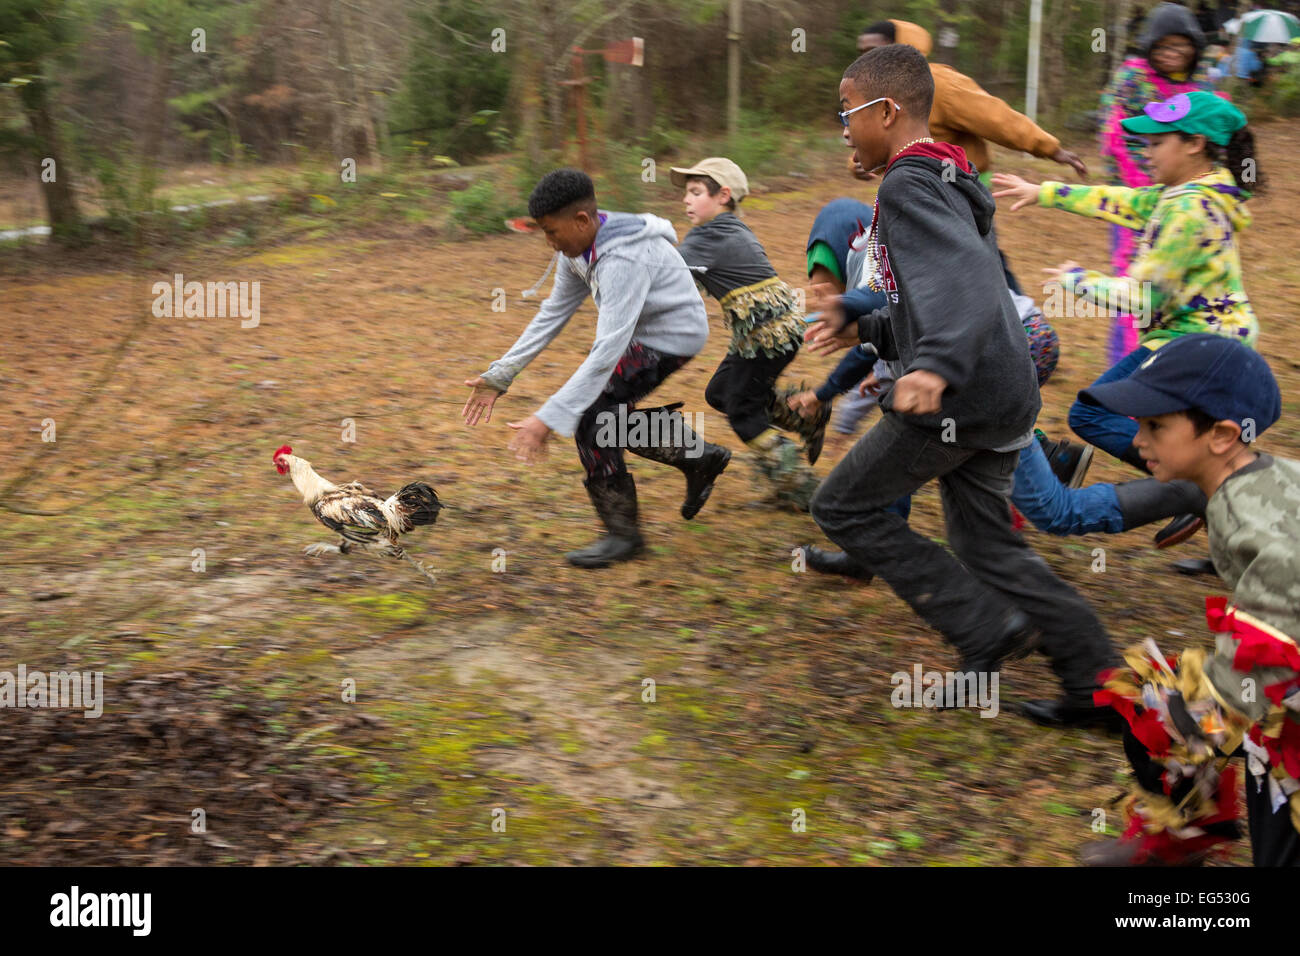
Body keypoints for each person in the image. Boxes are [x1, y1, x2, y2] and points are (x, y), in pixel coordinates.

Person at [806, 43, 1118, 723]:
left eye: (846, 113)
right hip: (1004, 390)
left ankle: (985, 628)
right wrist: (860, 320)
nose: (842, 130)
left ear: (885, 111)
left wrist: (932, 366)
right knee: (987, 546)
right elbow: (930, 288)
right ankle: (1095, 682)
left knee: (841, 507)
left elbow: (968, 285)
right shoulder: (945, 174)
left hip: (959, 392)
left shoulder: (907, 185)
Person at [992, 90, 1260, 562]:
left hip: (1199, 344)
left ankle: (1195, 488)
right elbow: (1119, 200)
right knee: (1207, 446)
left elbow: (1145, 294)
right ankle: (1225, 521)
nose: (1146, 152)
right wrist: (1045, 193)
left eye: (1157, 142)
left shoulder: (1190, 210)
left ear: (1194, 143)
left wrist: (1078, 280)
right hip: (1201, 340)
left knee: (1093, 414)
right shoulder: (1180, 196)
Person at [1076, 335, 1299, 867]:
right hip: (1279, 678)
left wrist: (1203, 718)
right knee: (1153, 703)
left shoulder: (1255, 521)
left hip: (1287, 688)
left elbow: (1282, 626)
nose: (1137, 438)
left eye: (1154, 425)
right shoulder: (1258, 476)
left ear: (1220, 435)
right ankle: (1186, 830)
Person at [462, 168, 731, 568]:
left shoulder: (623, 257)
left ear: (583, 220)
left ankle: (623, 535)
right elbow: (553, 313)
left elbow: (607, 351)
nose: (550, 243)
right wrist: (501, 373)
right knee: (604, 416)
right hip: (640, 334)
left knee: (591, 417)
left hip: (672, 337)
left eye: (552, 232)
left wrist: (548, 417)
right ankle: (698, 456)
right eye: (543, 233)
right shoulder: (577, 248)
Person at [671, 157, 825, 509]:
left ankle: (800, 489)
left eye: (695, 192)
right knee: (720, 393)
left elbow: (666, 273)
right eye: (687, 193)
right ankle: (805, 415)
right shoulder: (732, 227)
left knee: (742, 413)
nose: (686, 200)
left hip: (766, 339)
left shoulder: (708, 236)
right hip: (767, 335)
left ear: (723, 195)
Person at [1099, 3, 1215, 365]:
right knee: (1134, 288)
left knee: (1177, 287)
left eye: (1181, 47)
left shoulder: (1201, 87)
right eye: (1164, 46)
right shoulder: (1133, 77)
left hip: (1188, 205)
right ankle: (1127, 368)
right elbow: (1115, 134)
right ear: (1151, 46)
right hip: (1137, 201)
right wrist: (1148, 189)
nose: (1172, 54)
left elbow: (1212, 140)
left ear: (1194, 48)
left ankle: (1169, 362)